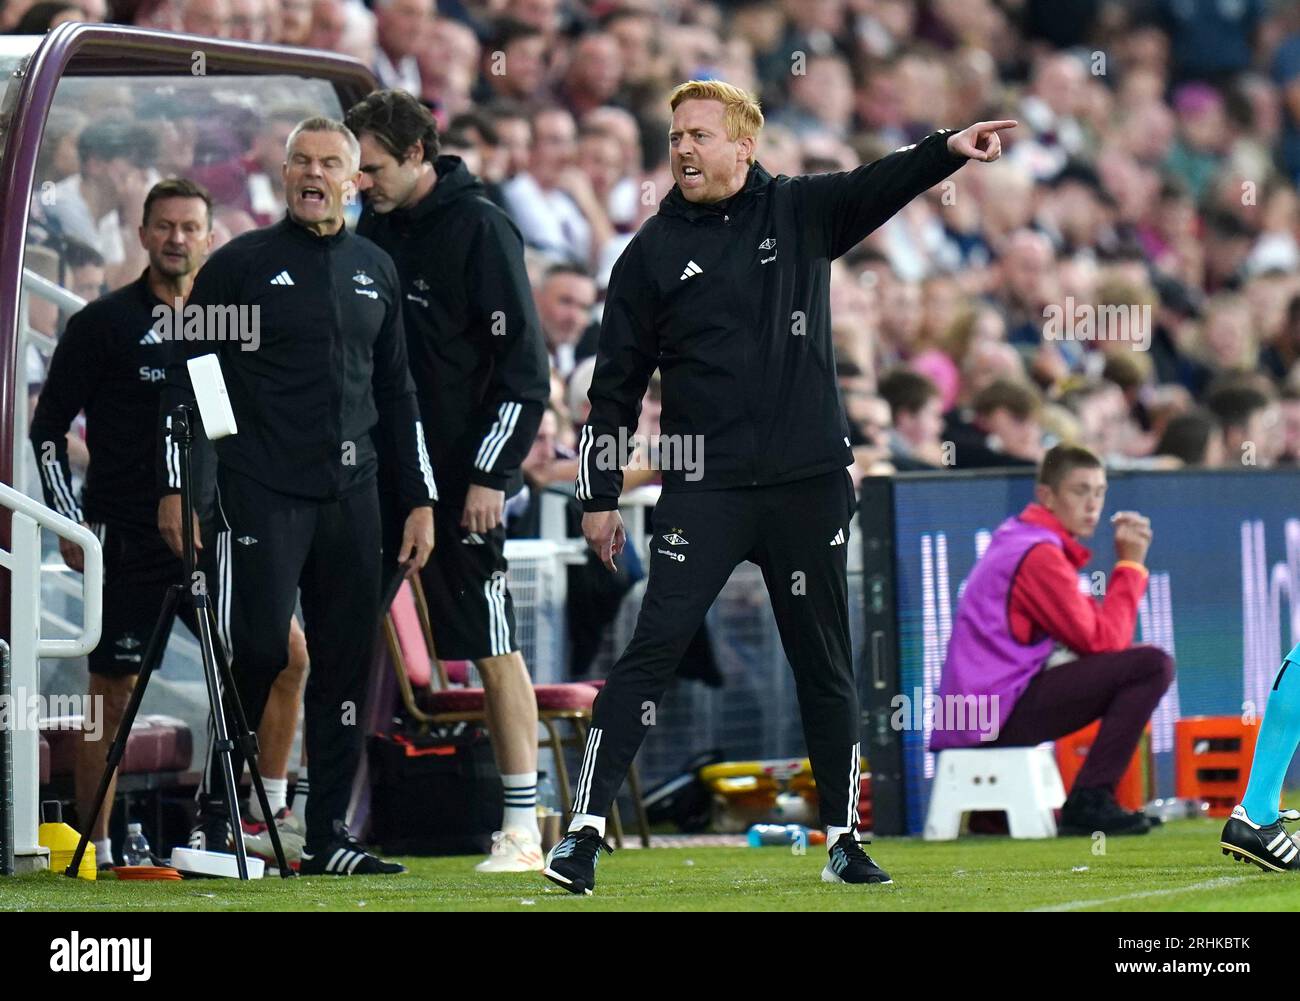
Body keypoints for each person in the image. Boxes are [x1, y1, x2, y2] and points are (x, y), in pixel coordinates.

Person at [546, 78, 1013, 894]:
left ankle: (842, 835)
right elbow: (612, 389)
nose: (683, 148)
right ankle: (582, 831)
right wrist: (595, 495)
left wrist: (947, 149)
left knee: (824, 663)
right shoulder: (649, 252)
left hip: (806, 483)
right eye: (676, 135)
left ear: (743, 145)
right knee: (650, 650)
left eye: (699, 134)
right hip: (706, 488)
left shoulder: (800, 211)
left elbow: (880, 179)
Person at [158, 117, 435, 876]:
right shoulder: (240, 266)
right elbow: (192, 377)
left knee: (345, 665)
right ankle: (218, 814)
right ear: (284, 176)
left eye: (331, 164)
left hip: (355, 495)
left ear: (356, 180)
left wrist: (420, 498)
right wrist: (185, 485)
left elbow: (398, 391)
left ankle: (329, 834)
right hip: (262, 490)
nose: (314, 174)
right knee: (254, 649)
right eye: (301, 162)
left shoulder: (376, 267)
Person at [28, 179, 308, 867]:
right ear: (145, 234)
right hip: (127, 538)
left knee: (287, 657)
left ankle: (259, 812)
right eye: (165, 226)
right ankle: (94, 851)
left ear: (211, 236)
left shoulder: (231, 325)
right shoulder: (102, 323)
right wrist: (72, 521)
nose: (178, 238)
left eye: (191, 226)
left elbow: (243, 429)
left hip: (215, 535)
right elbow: (48, 431)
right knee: (113, 694)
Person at [345, 89, 551, 873]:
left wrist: (490, 474)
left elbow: (526, 374)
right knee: (336, 637)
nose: (361, 183)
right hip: (380, 473)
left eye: (372, 168)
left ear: (417, 156)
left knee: (491, 640)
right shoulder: (377, 224)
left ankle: (522, 827)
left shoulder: (482, 228)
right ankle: (321, 815)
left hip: (465, 476)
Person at [931, 444, 1175, 835]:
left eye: (1099, 492)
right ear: (1046, 495)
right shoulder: (1039, 554)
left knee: (1122, 665)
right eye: (1080, 491)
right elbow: (1103, 644)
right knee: (1150, 666)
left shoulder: (1018, 538)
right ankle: (1091, 799)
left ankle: (995, 815)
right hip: (991, 717)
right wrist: (1130, 565)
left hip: (976, 715)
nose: (1093, 504)